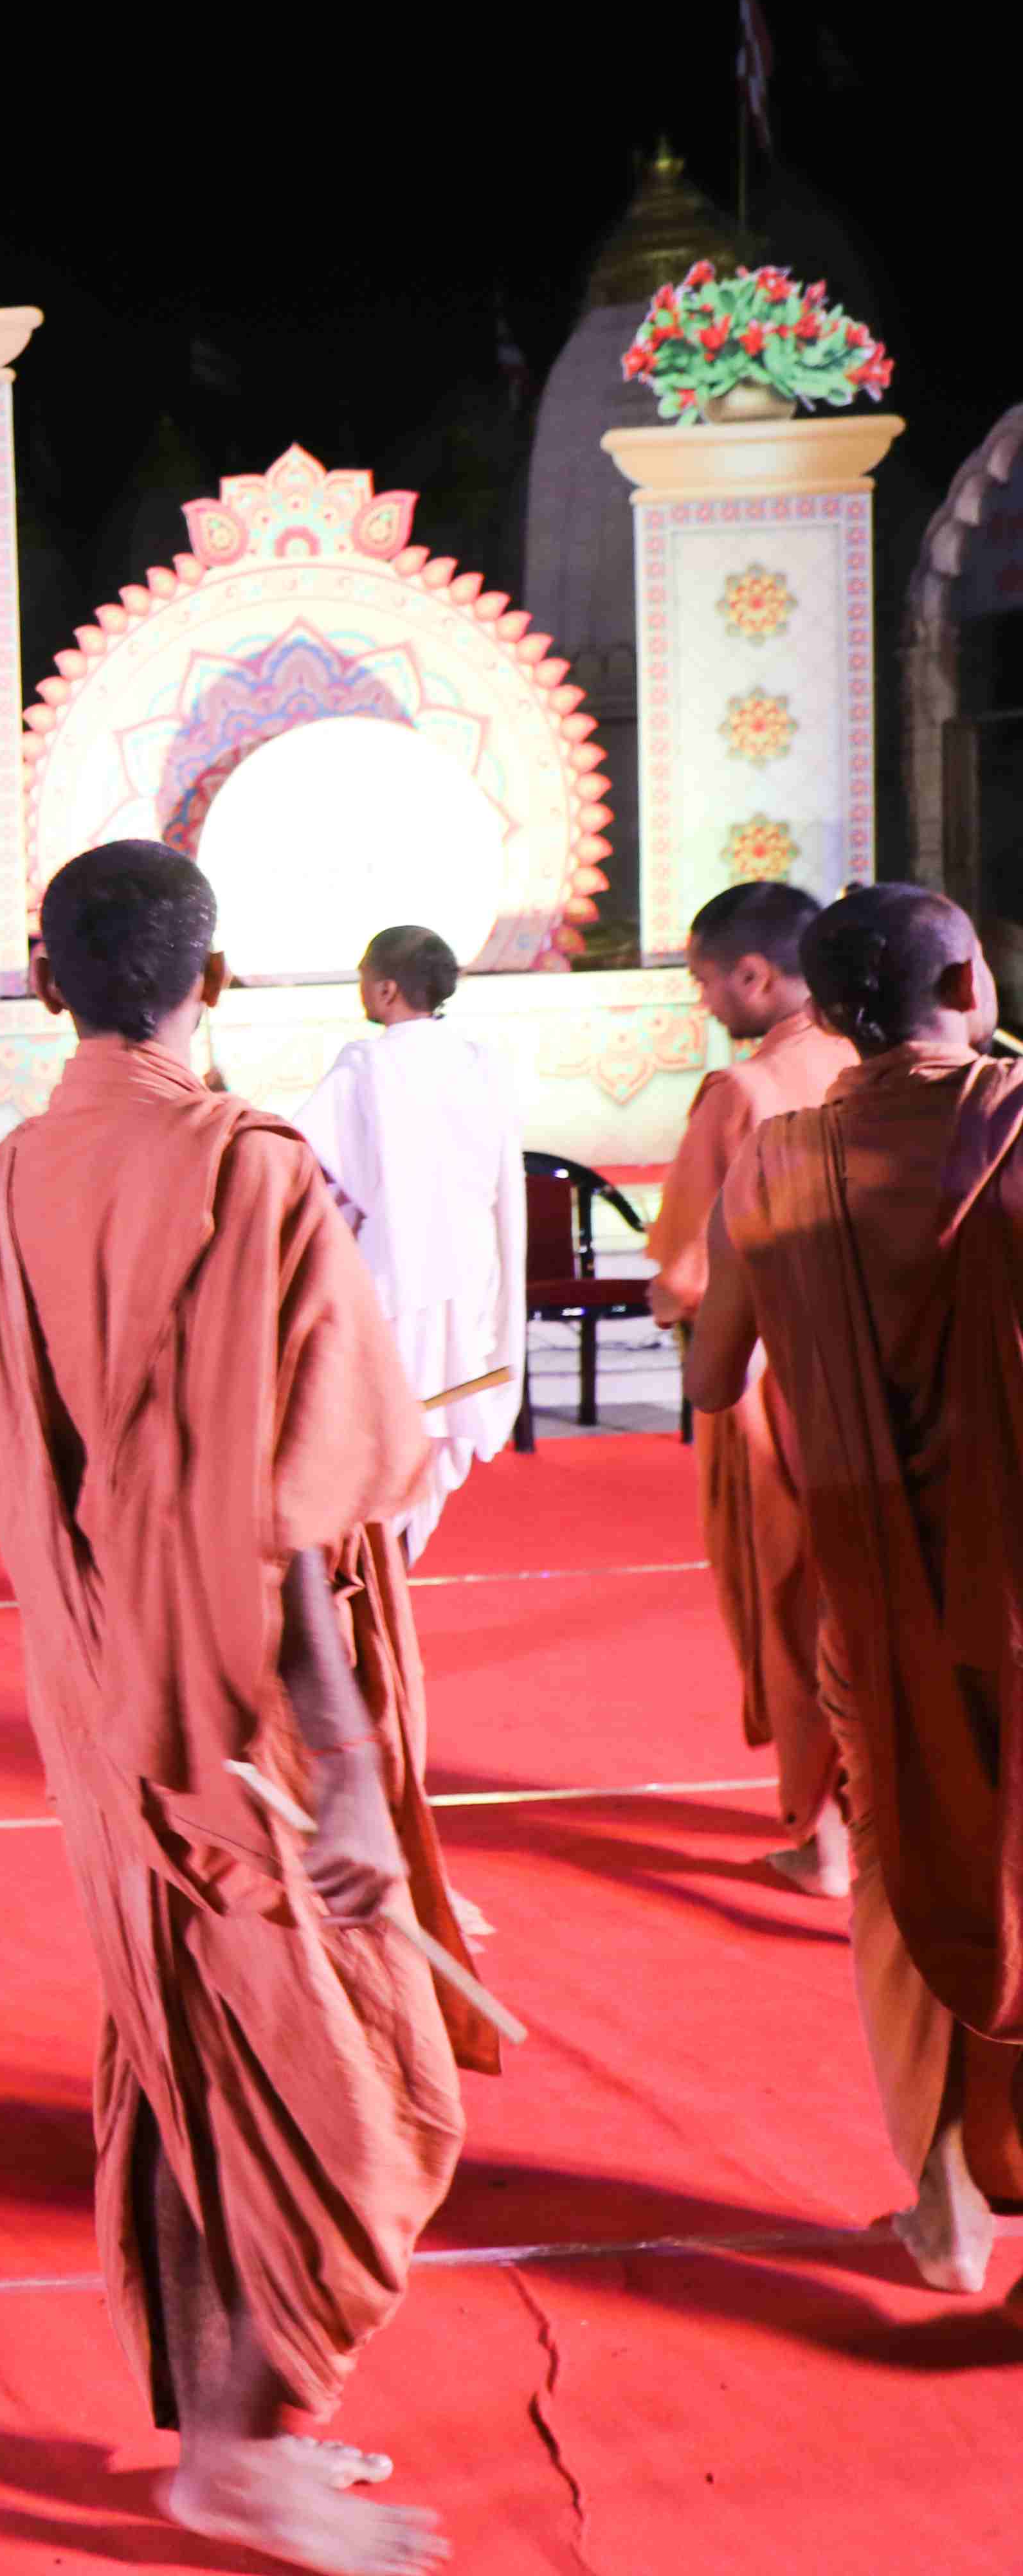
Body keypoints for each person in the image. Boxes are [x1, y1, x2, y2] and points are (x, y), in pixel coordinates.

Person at [0, 843, 482, 2576]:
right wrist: (348, 1764)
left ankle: (234, 2439)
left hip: (96, 1687)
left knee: (185, 2052)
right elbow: (294, 1508)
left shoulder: (10, 1184)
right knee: (348, 2090)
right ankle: (238, 2452)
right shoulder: (249, 1172)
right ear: (214, 979)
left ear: (44, 983)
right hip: (244, 1707)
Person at [682, 882, 1023, 2296]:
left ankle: (947, 2214)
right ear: (966, 984)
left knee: (907, 1882)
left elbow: (712, 1376)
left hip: (880, 1606)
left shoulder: (777, 1165)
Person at [646, 881, 857, 1897]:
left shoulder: (746, 1092)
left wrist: (675, 1299)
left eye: (705, 982)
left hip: (777, 1387)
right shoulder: (880, 1067)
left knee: (793, 1600)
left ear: (756, 975)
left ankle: (830, 1840)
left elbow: (688, 1267)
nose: (705, 1001)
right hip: (902, 1382)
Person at [281, 927, 523, 1564]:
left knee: (381, 1438)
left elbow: (305, 1162)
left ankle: (379, 1577)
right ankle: (399, 1564)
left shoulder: (368, 1064)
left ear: (386, 989)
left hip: (393, 1278)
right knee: (434, 1439)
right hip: (471, 1276)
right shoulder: (481, 1062)